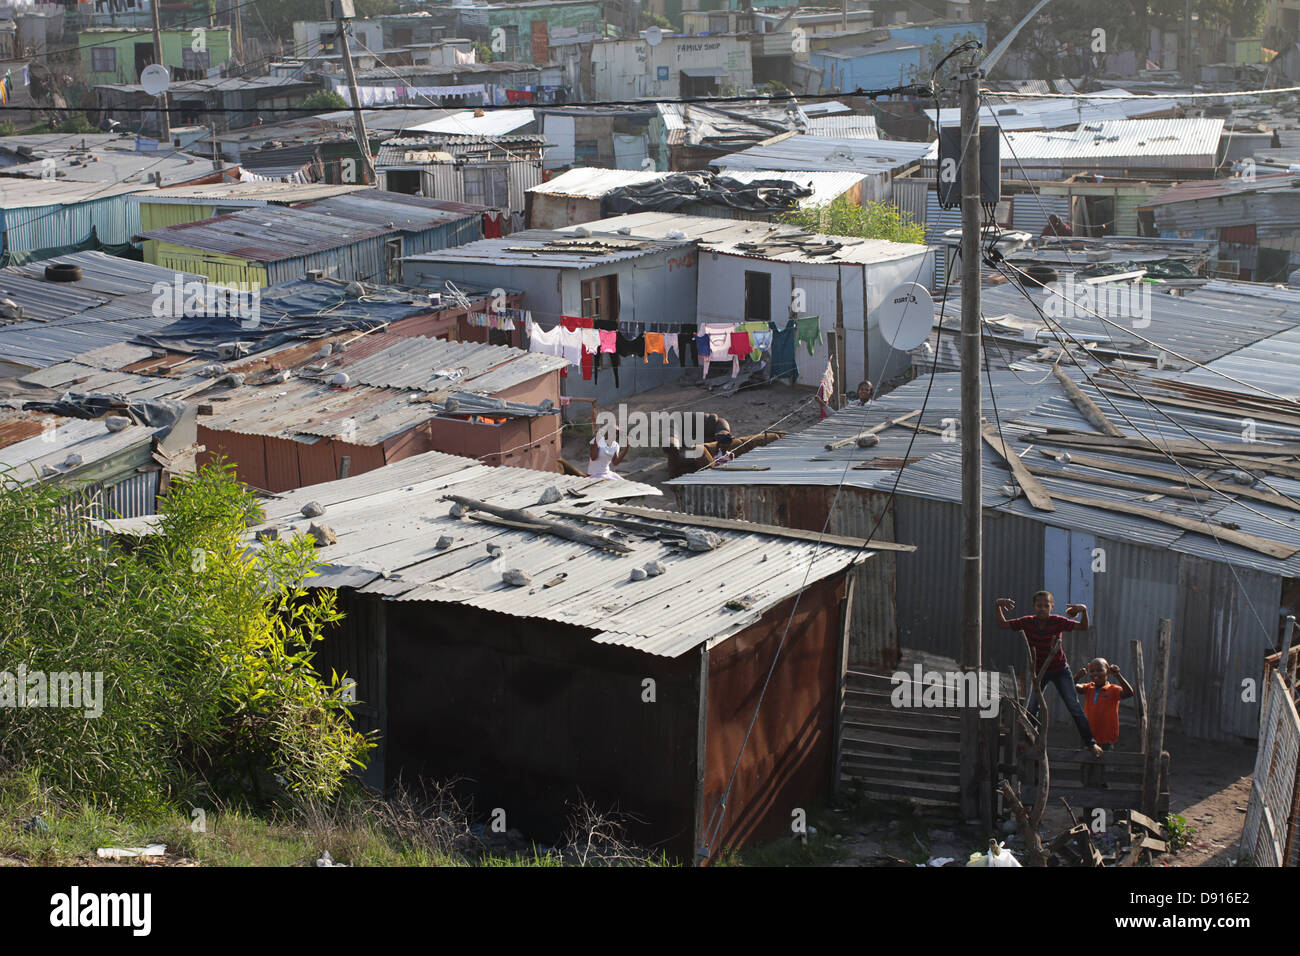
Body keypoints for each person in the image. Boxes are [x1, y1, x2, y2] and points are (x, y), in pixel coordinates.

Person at [995, 591, 1103, 756]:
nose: (1042, 609)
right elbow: (1002, 624)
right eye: (1039, 606)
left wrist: (1084, 610)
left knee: (1073, 705)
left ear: (1052, 607)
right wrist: (998, 606)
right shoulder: (1027, 622)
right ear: (1034, 607)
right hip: (1039, 671)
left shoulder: (1057, 621)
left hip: (1060, 670)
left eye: (1046, 606)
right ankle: (1027, 740)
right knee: (1031, 706)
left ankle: (1090, 743)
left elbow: (1083, 627)